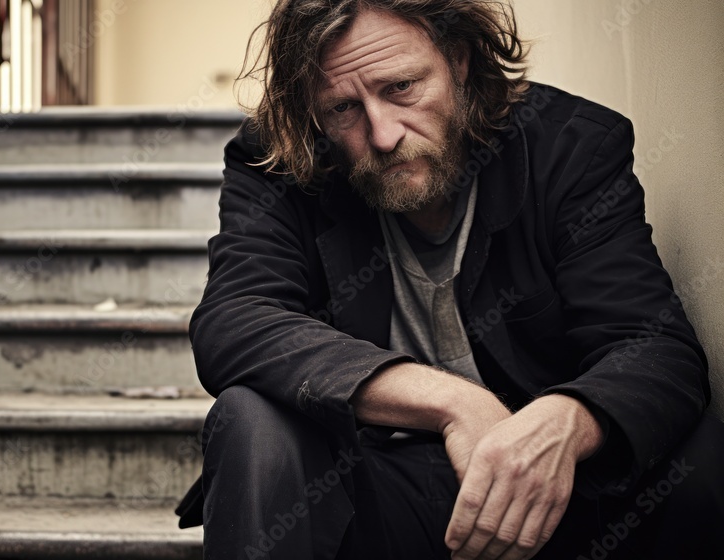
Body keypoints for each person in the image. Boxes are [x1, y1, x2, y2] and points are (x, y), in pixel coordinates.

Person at [174, 1, 724, 558]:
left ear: (458, 59)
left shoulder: (568, 148)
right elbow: (234, 319)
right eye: (343, 107)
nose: (383, 134)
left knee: (698, 452)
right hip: (370, 488)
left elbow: (655, 347)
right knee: (251, 418)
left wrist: (566, 422)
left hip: (545, 491)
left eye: (401, 87)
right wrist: (452, 402)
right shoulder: (279, 162)